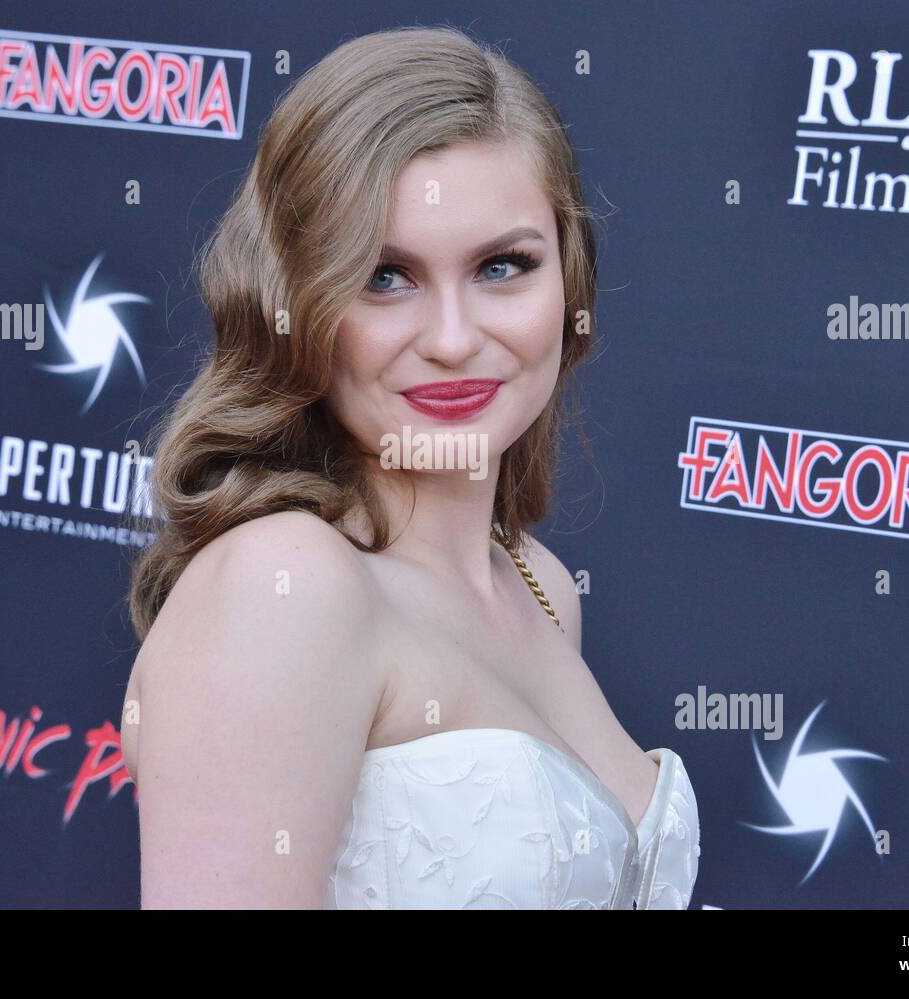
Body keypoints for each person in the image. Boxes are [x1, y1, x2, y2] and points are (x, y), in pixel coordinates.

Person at [120, 25, 699, 909]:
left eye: (503, 266)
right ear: (295, 304)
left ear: (569, 282)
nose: (455, 338)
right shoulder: (284, 583)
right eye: (385, 278)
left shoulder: (540, 584)